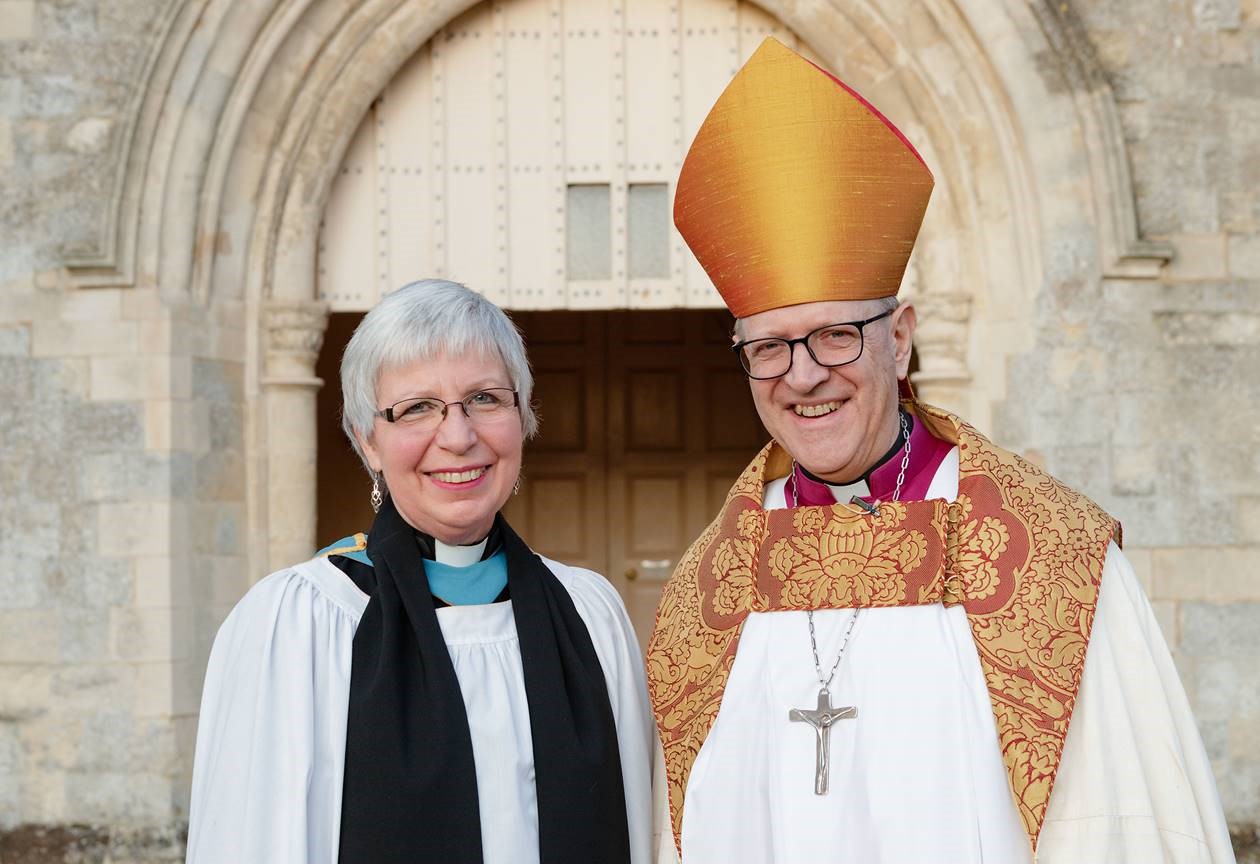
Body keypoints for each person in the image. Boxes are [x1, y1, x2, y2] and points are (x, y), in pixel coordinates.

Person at [647, 37, 1234, 863]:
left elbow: (1119, 831)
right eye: (770, 347)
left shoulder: (1053, 566)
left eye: (834, 336)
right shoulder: (707, 596)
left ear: (901, 338)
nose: (804, 375)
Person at [187, 280, 654, 863]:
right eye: (416, 408)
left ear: (523, 417)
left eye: (486, 398)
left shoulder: (588, 614)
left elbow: (640, 837)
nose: (458, 437)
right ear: (369, 442)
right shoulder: (301, 623)